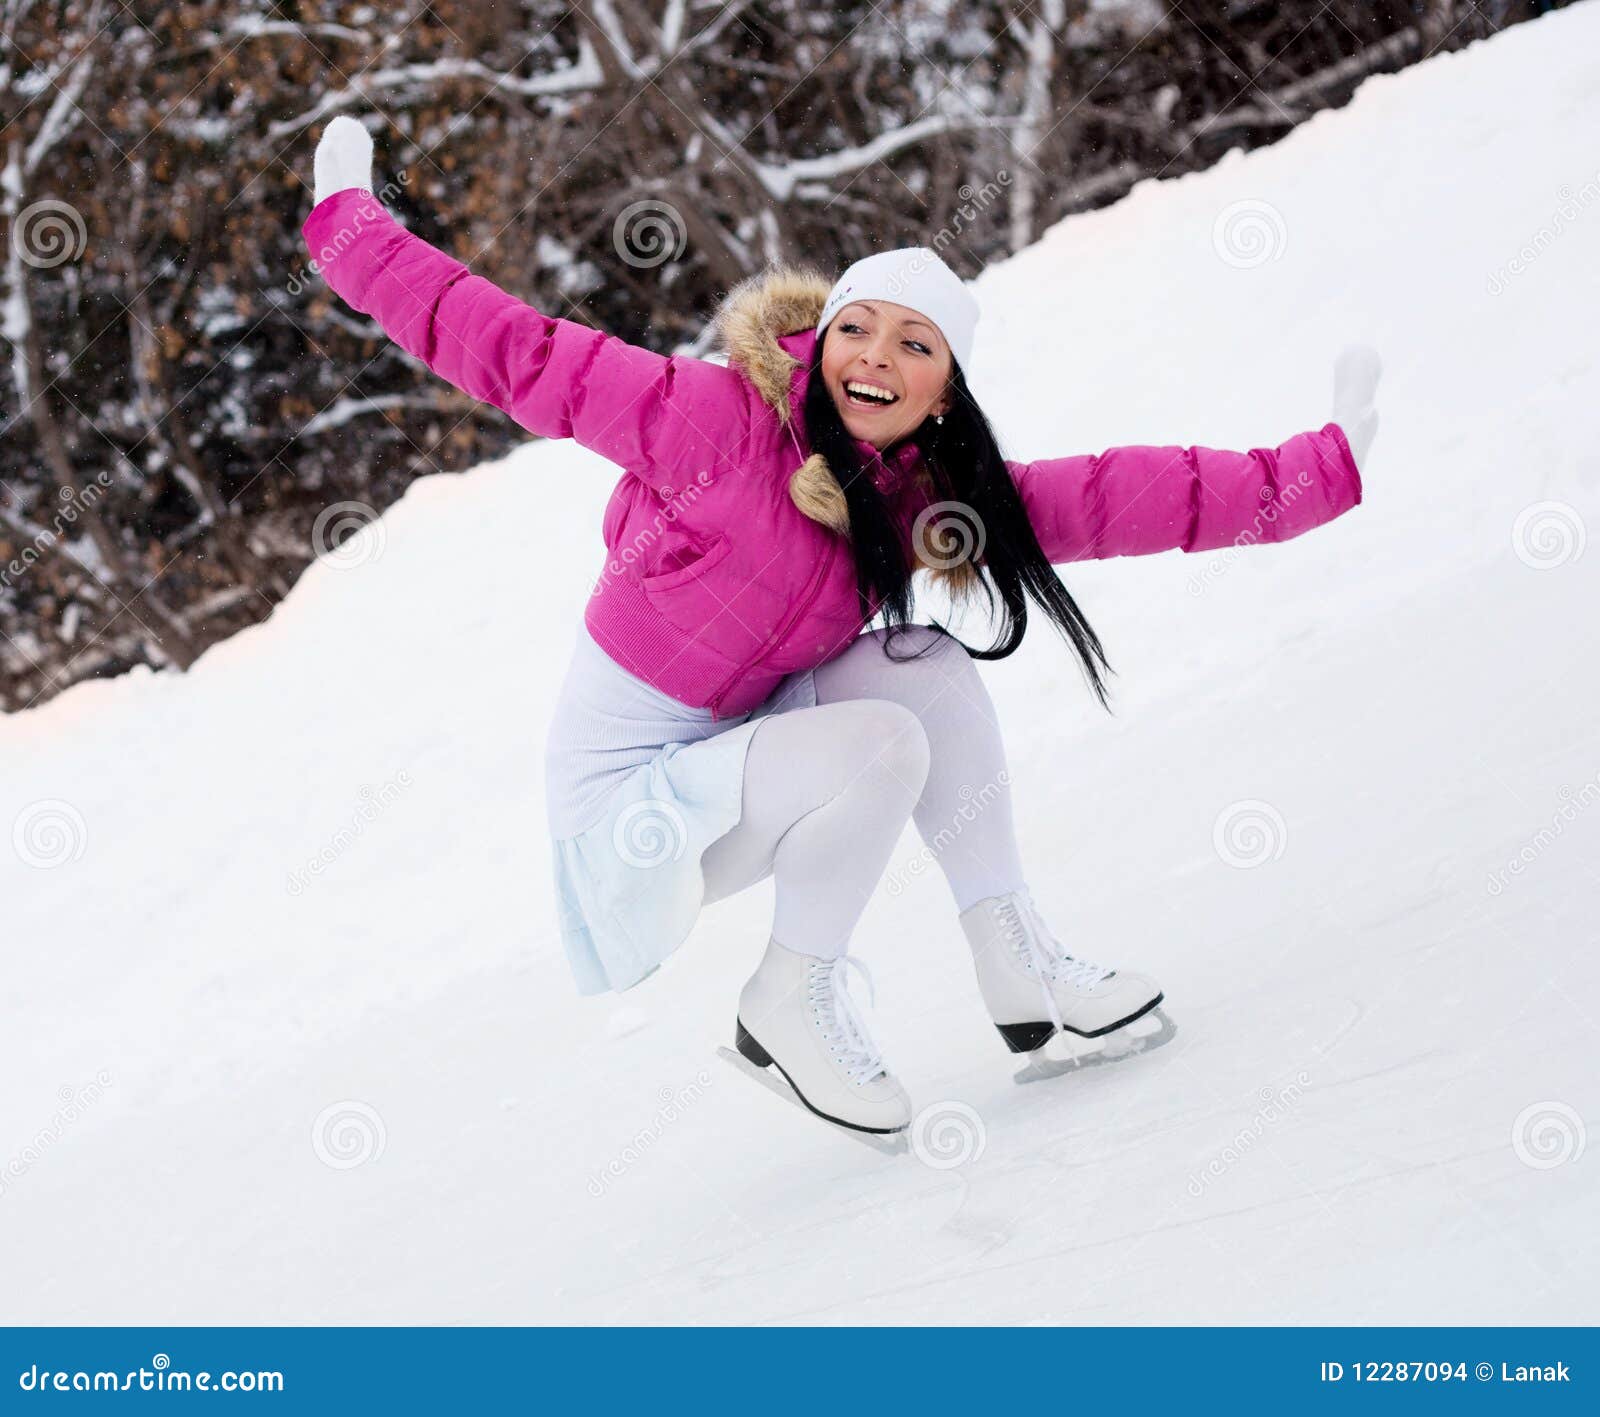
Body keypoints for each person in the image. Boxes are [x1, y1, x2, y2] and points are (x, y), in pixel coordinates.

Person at [304, 116, 1380, 1137]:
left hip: (739, 749)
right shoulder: (707, 418)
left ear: (945, 394)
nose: (875, 354)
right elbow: (515, 347)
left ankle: (1019, 961)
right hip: (626, 814)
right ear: (819, 342)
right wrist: (351, 225)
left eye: (916, 345)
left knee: (923, 665)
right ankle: (789, 997)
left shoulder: (915, 500)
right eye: (856, 327)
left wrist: (1313, 476)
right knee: (881, 741)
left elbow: (1102, 498)